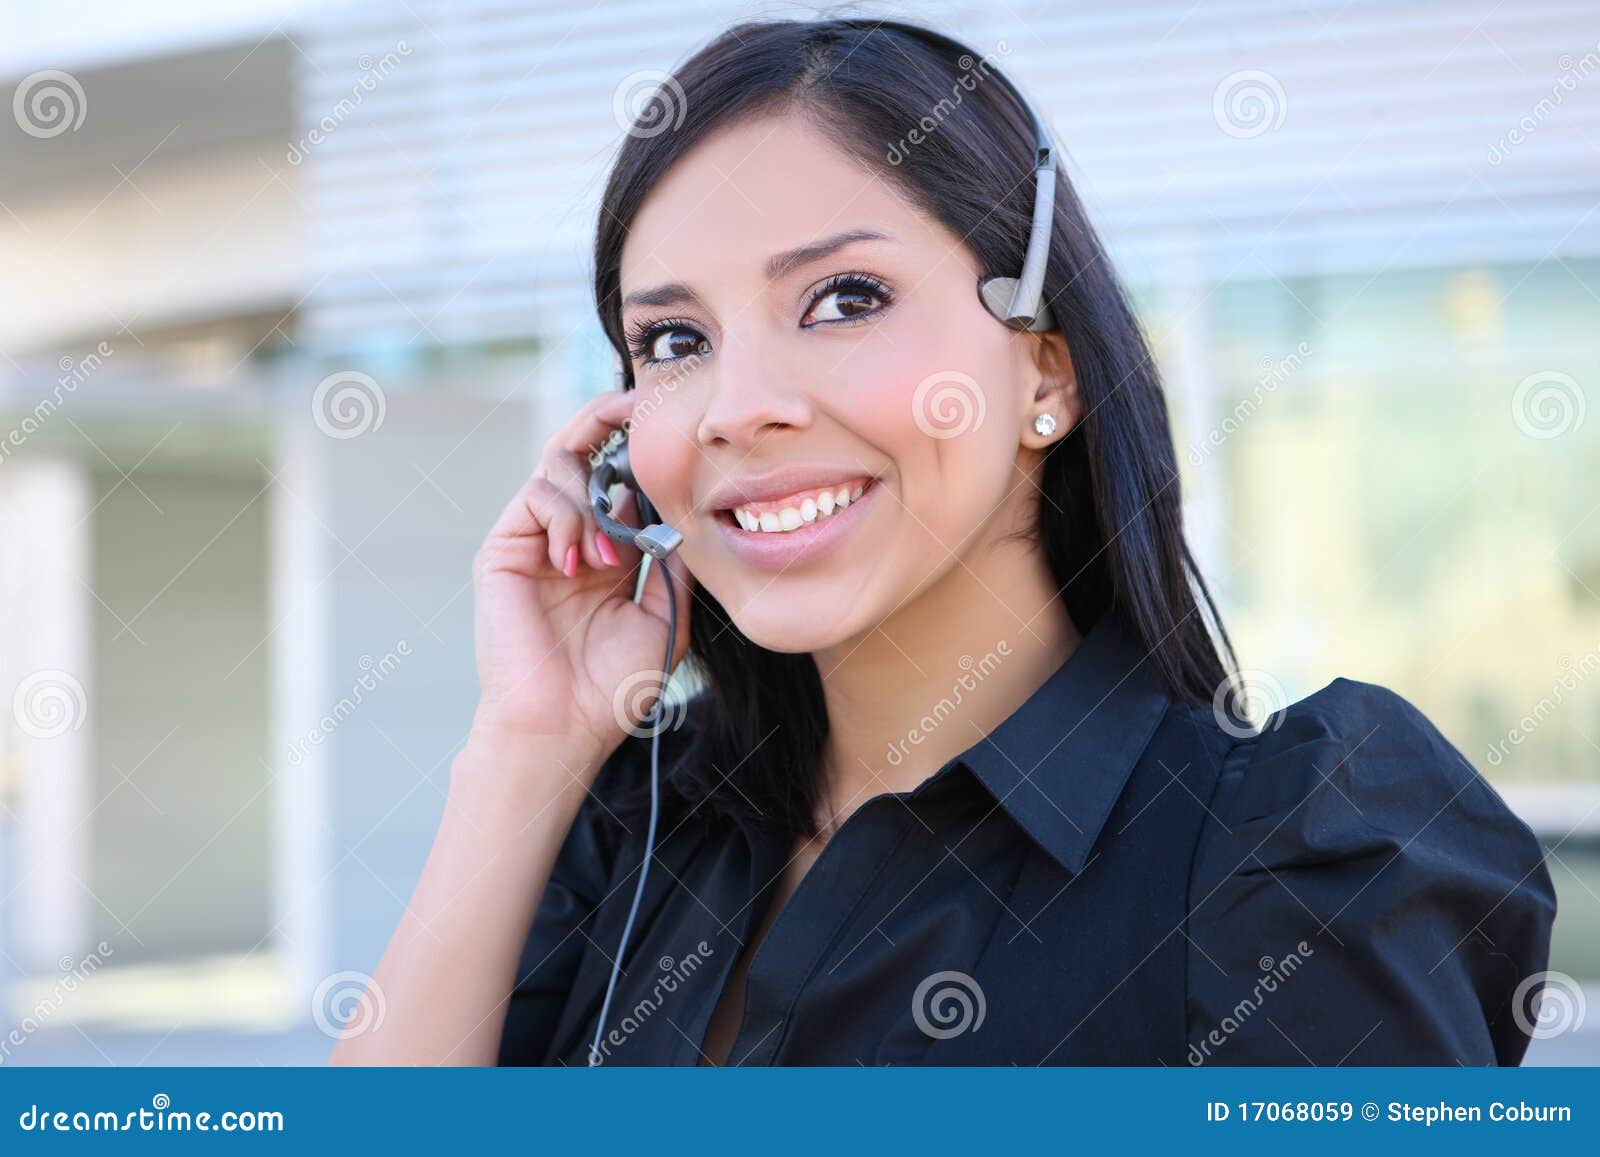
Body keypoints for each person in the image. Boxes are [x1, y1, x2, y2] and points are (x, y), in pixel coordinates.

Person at [330, 16, 1556, 1067]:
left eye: (844, 298)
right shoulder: (638, 825)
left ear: (1045, 370)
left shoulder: (1287, 851)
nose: (734, 405)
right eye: (673, 342)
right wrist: (527, 747)